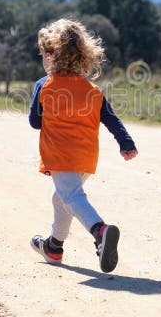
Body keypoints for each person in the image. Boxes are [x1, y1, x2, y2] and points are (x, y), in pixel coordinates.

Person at [28, 19, 138, 273]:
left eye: (43, 55)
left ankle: (100, 231)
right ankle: (54, 246)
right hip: (86, 158)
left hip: (60, 155)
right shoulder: (92, 90)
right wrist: (126, 142)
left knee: (71, 196)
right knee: (62, 198)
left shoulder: (43, 85)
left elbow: (35, 122)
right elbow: (111, 118)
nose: (43, 60)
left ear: (52, 55)